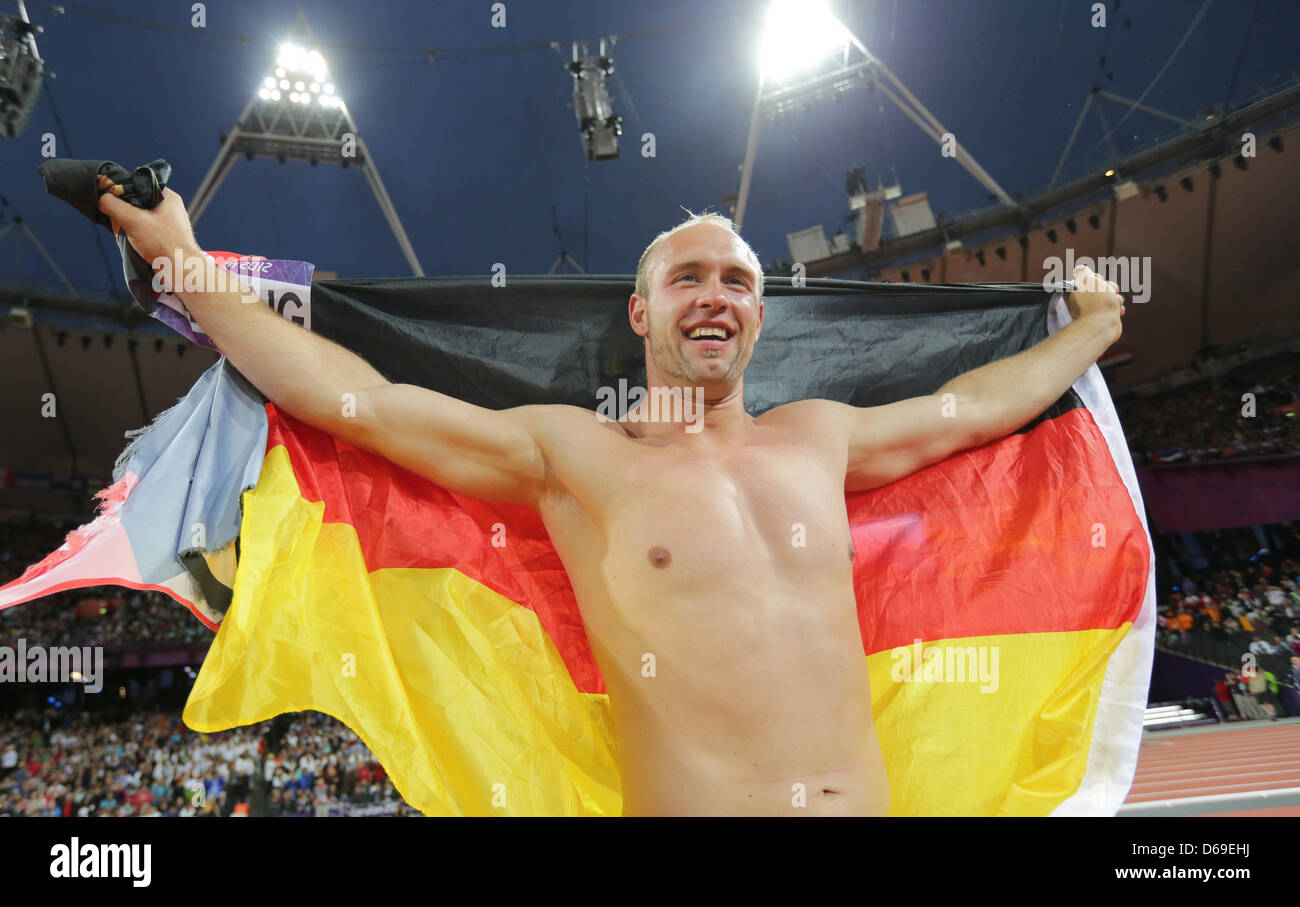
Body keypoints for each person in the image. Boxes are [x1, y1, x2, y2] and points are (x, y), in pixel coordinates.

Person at [97, 188, 1127, 817]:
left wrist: (1092, 329)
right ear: (641, 311)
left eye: (735, 279)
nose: (713, 294)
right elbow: (348, 400)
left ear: (761, 317)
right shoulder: (573, 456)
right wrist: (182, 258)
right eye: (686, 279)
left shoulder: (821, 435)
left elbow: (968, 410)